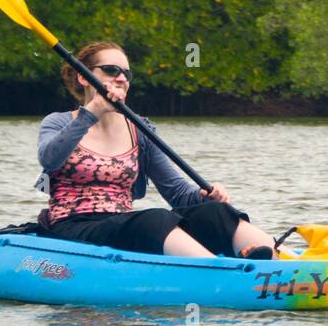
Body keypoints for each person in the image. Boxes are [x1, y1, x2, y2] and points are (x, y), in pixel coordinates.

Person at [35, 41, 284, 260]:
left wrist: (203, 196)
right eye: (111, 70)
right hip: (73, 226)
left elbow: (175, 193)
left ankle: (277, 264)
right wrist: (93, 111)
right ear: (84, 77)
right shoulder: (59, 122)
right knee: (156, 218)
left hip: (122, 224)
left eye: (126, 73)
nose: (121, 78)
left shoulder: (140, 129)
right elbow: (50, 159)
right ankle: (223, 271)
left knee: (214, 212)